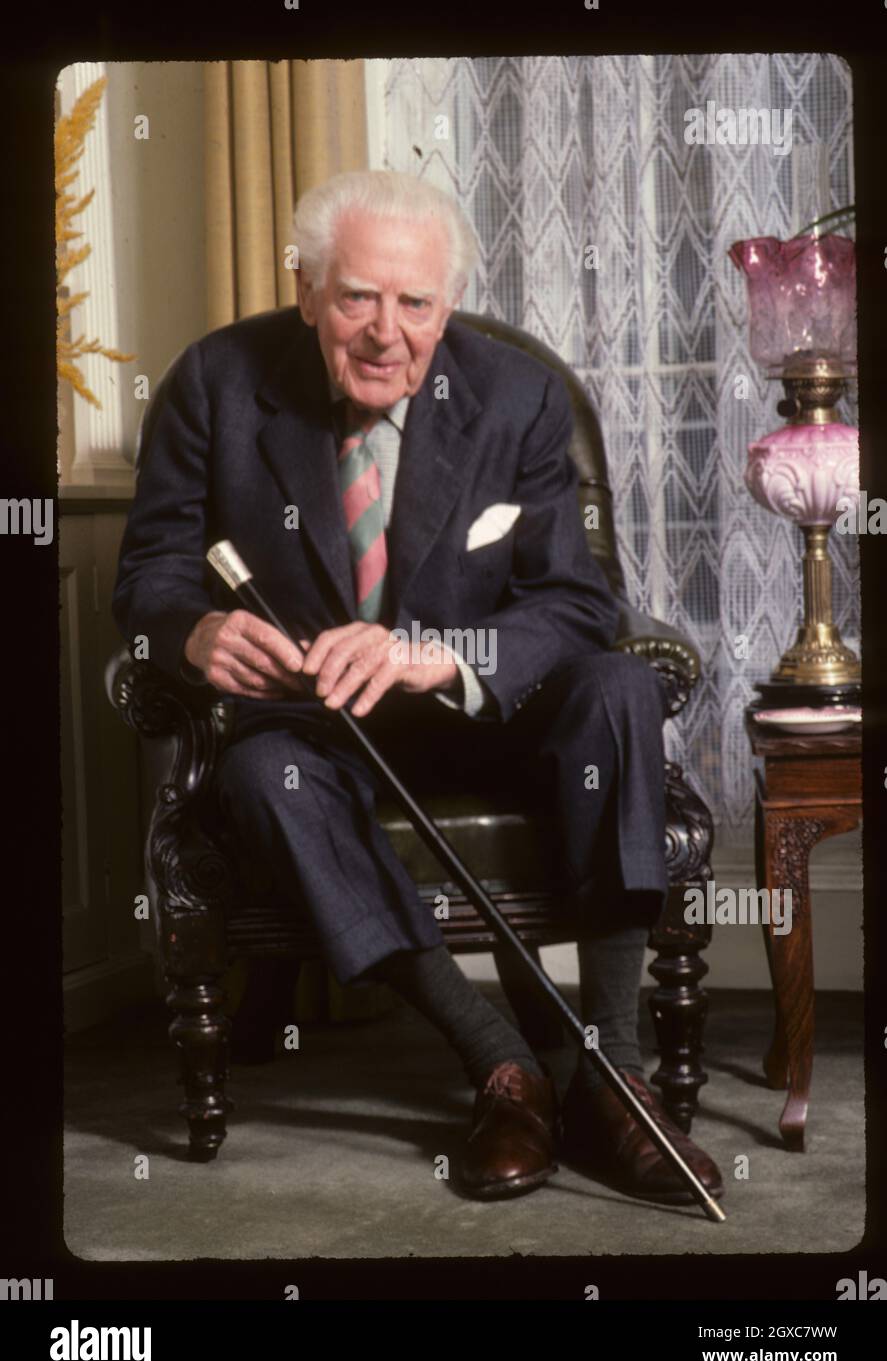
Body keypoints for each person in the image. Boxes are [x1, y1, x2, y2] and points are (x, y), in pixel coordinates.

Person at [112, 168, 722, 1205]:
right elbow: (149, 575)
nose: (384, 331)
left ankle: (611, 1070)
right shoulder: (214, 382)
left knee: (616, 688)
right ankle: (501, 1063)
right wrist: (195, 629)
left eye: (415, 303)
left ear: (447, 307)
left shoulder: (518, 397)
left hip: (479, 716)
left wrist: (438, 654)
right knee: (263, 778)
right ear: (305, 288)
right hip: (309, 728)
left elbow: (580, 603)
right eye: (355, 296)